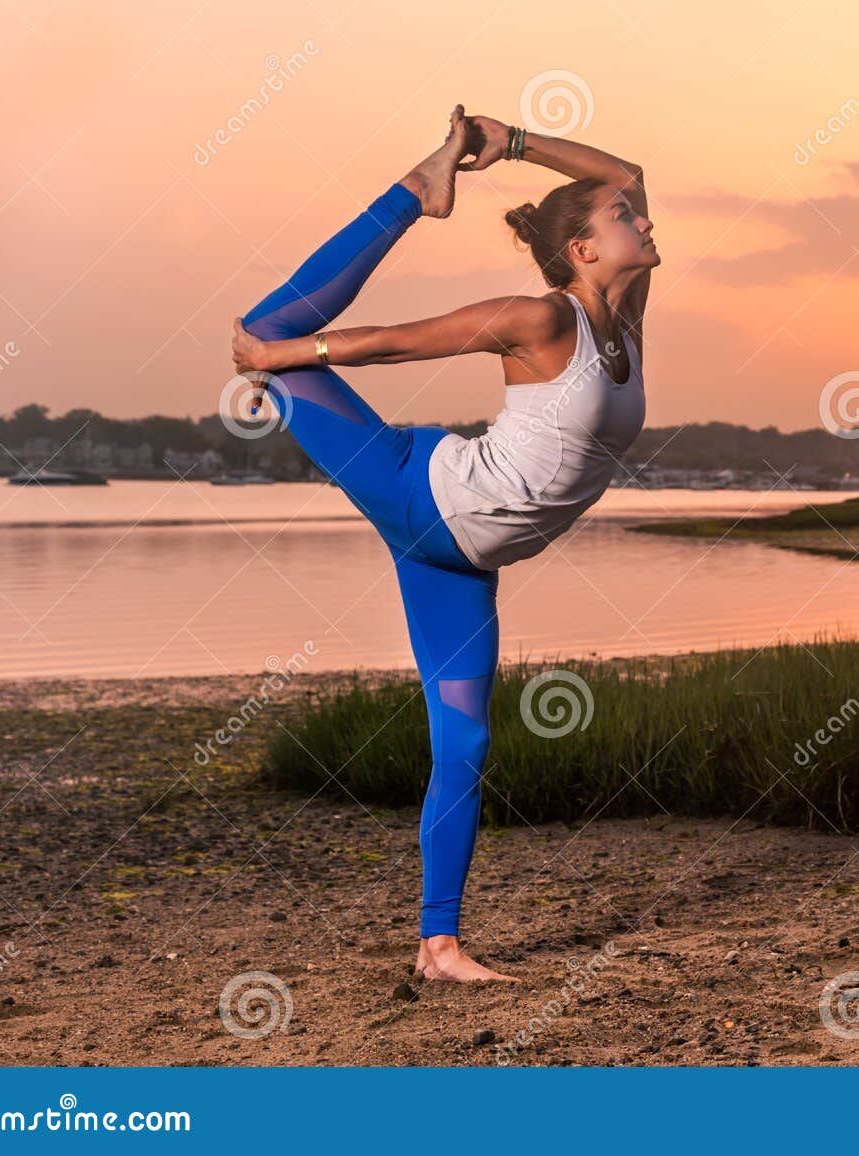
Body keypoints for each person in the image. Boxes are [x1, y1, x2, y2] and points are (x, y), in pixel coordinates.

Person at [230, 103, 659, 983]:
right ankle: (412, 196)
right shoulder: (541, 321)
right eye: (622, 222)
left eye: (633, 215)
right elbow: (395, 343)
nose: (642, 219)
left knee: (465, 748)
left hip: (458, 564)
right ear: (580, 250)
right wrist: (280, 358)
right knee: (268, 333)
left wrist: (513, 145)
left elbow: (629, 177)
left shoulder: (626, 325)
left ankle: (440, 947)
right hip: (413, 490)